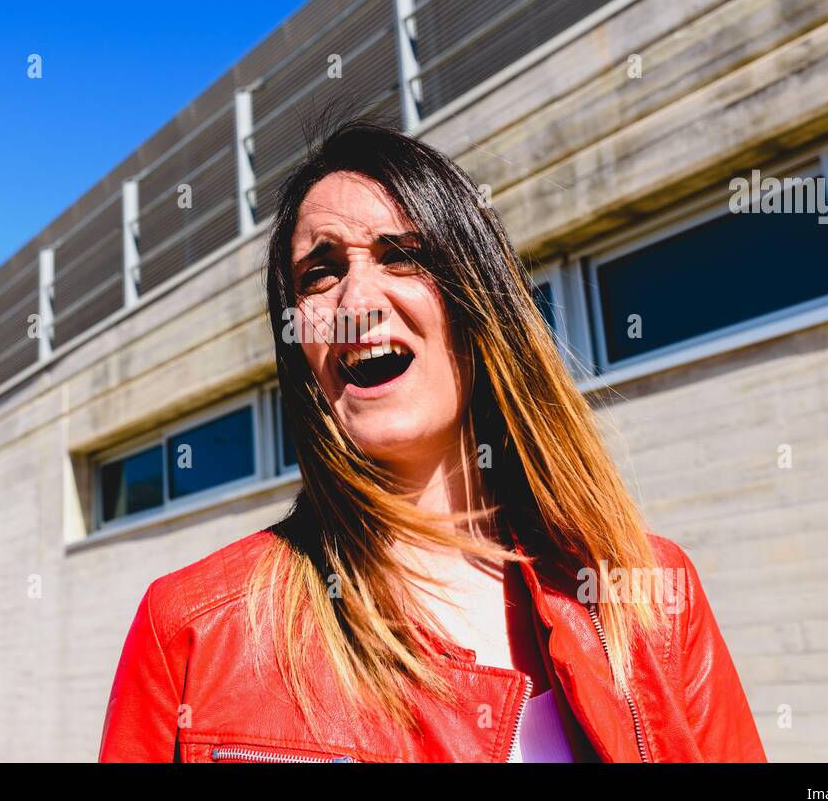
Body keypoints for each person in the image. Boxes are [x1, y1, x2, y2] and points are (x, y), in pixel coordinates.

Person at [98, 117, 766, 762]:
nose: (357, 298)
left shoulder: (647, 594)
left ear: (478, 304)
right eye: (319, 272)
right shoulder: (190, 628)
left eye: (403, 255)